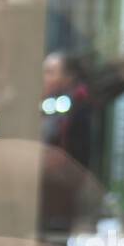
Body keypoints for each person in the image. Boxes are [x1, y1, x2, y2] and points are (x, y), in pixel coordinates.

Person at [38, 51, 93, 236]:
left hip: (66, 199)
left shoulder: (77, 105)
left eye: (50, 72)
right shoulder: (46, 105)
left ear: (68, 77)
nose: (44, 77)